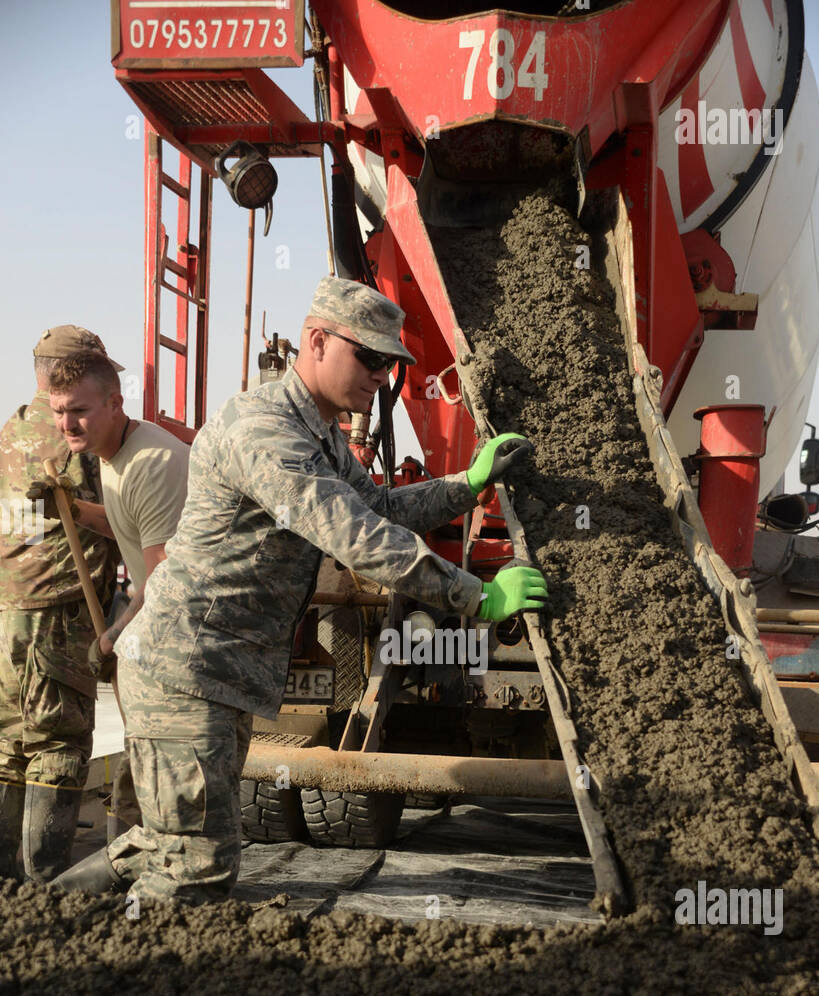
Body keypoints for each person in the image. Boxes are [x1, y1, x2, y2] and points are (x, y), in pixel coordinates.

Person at [53, 277, 547, 903]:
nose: (379, 373)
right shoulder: (264, 431)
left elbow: (378, 508)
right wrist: (476, 596)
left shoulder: (321, 434)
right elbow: (352, 533)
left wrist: (465, 482)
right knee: (196, 868)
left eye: (388, 362)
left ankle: (46, 914)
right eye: (368, 357)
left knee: (171, 843)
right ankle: (120, 985)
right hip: (184, 669)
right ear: (316, 342)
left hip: (214, 675)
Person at [47, 350, 190, 835]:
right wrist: (71, 507)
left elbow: (164, 575)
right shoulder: (111, 455)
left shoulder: (152, 462)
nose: (67, 423)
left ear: (114, 402)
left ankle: (155, 887)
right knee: (138, 771)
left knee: (162, 782)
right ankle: (129, 886)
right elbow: (127, 526)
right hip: (157, 636)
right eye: (58, 411)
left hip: (184, 644)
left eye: (79, 410)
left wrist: (115, 636)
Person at [0, 326, 121, 882]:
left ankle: (6, 883)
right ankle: (46, 882)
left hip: (8, 611)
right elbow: (121, 518)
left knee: (9, 742)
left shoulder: (11, 429)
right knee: (59, 741)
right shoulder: (79, 442)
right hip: (61, 615)